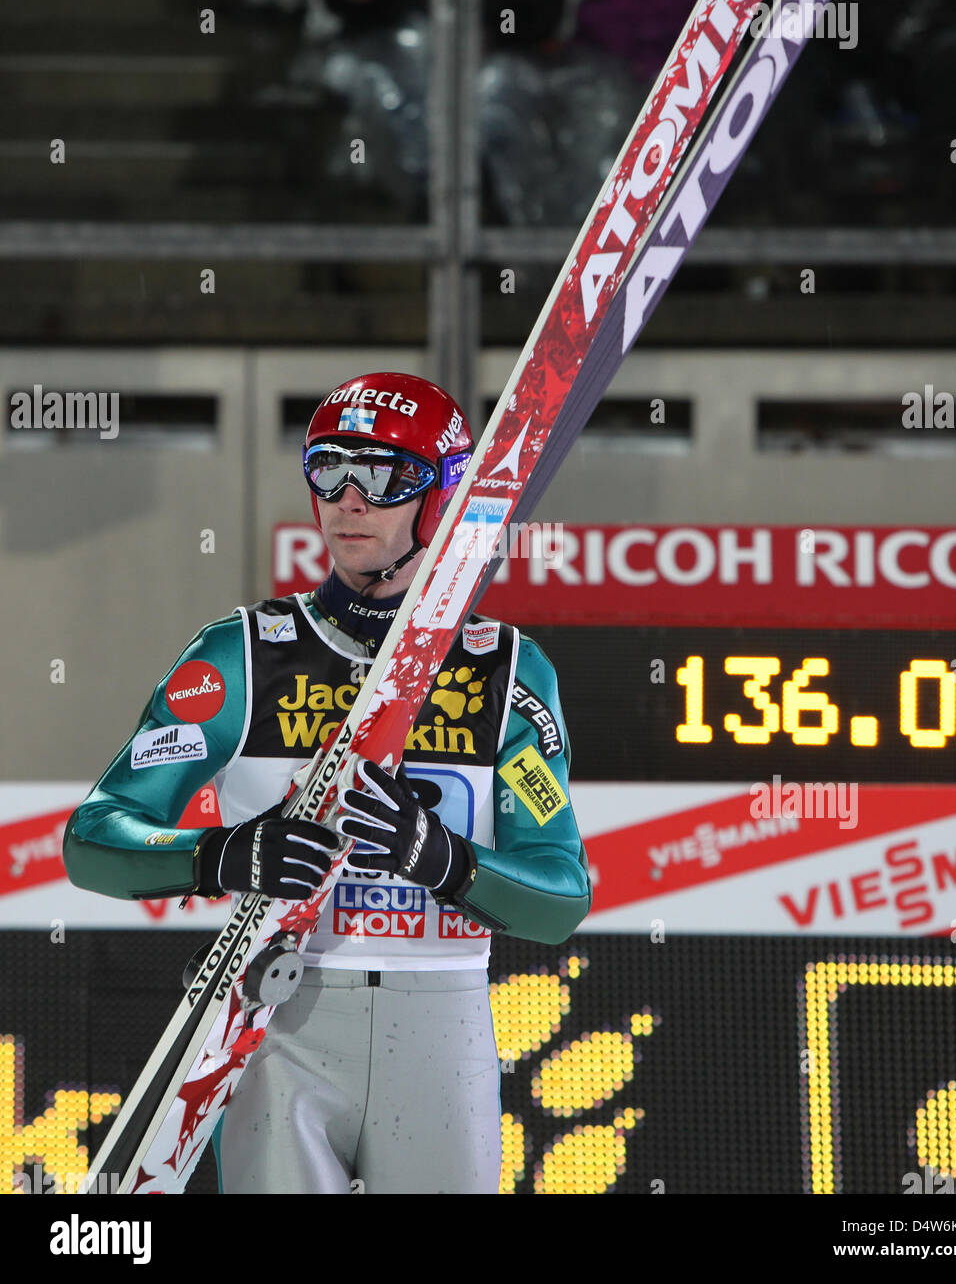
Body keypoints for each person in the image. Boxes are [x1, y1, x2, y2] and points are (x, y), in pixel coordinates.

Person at [63, 371, 591, 1195]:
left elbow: (561, 896)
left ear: (443, 495)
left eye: (381, 475)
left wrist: (443, 859)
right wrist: (223, 855)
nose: (347, 499)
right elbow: (95, 836)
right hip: (276, 1015)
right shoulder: (243, 654)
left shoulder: (507, 670)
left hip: (440, 1018)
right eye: (327, 469)